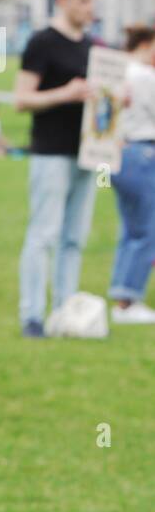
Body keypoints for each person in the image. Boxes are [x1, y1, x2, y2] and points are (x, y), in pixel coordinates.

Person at [14, 0, 97, 338]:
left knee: (74, 237)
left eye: (91, 1)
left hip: (87, 152)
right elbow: (22, 99)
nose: (88, 8)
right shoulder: (42, 42)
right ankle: (32, 313)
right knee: (43, 234)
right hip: (51, 150)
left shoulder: (93, 47)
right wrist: (64, 94)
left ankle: (65, 308)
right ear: (62, 1)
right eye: (81, 1)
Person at [108, 25, 155, 323]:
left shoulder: (118, 72)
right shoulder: (144, 76)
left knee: (131, 229)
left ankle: (122, 292)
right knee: (146, 230)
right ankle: (128, 300)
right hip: (142, 153)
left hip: (118, 153)